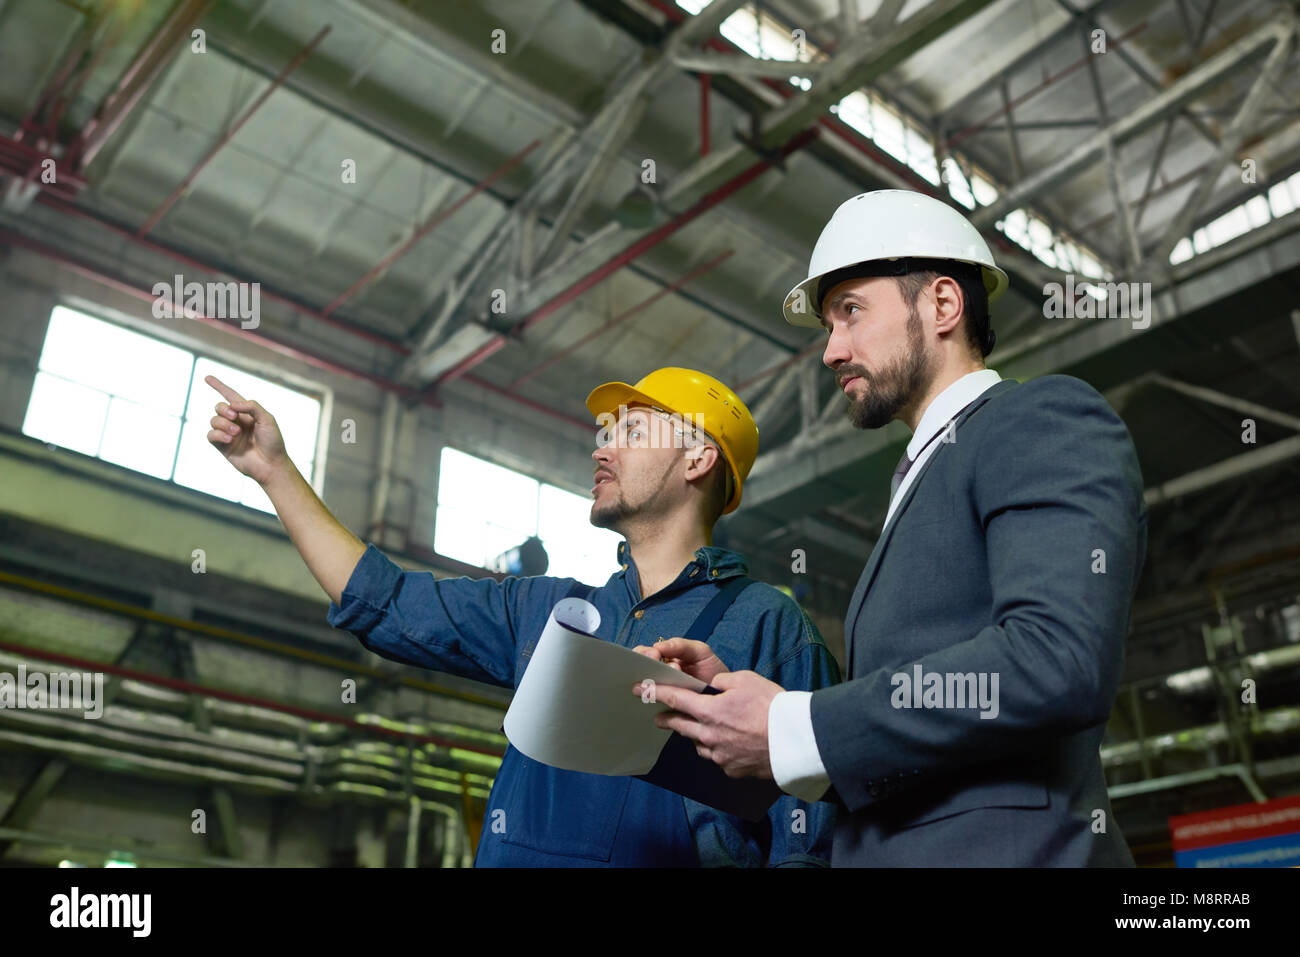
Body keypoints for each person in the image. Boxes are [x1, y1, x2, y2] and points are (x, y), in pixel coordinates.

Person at [642, 190, 1147, 866]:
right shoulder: (919, 479)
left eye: (850, 311)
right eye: (827, 325)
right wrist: (748, 717)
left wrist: (801, 726)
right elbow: (923, 736)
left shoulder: (1037, 419)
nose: (831, 350)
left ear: (943, 305)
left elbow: (1056, 658)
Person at [204, 365, 839, 866]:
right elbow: (386, 601)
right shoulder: (549, 612)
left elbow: (810, 833)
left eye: (632, 432)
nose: (603, 449)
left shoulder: (770, 627)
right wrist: (274, 471)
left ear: (698, 460)